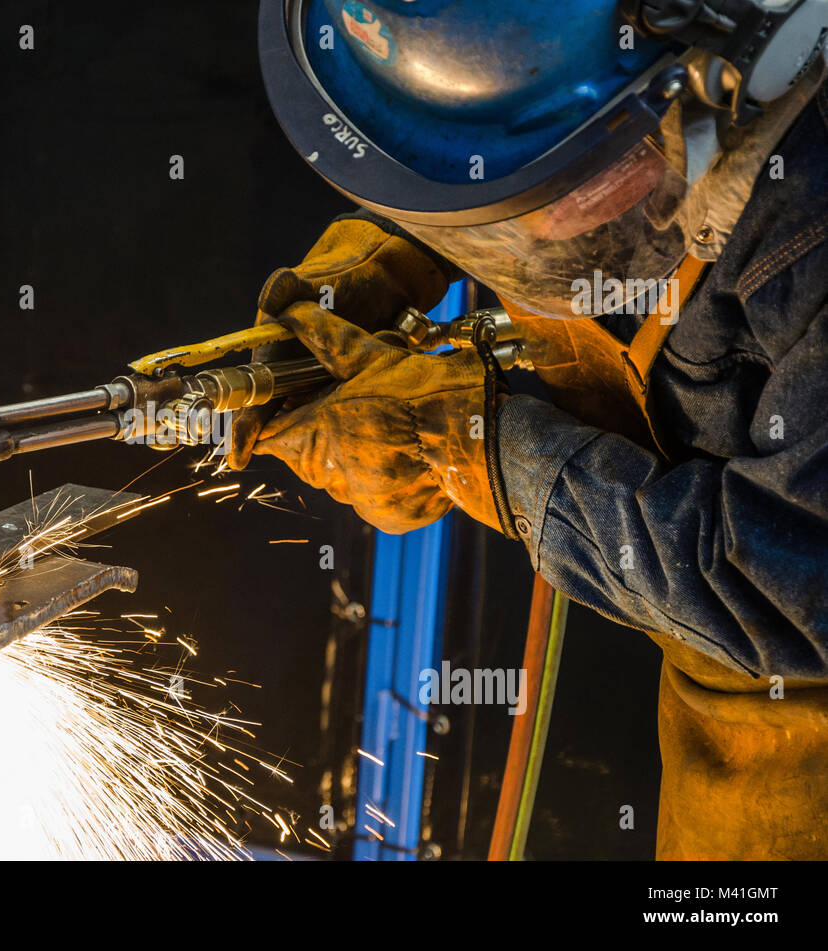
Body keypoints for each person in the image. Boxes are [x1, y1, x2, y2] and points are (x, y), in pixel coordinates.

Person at [232, 0, 828, 859]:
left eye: (561, 185)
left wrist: (467, 445)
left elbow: (795, 584)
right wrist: (407, 236)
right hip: (724, 723)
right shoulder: (616, 75)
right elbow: (522, 118)